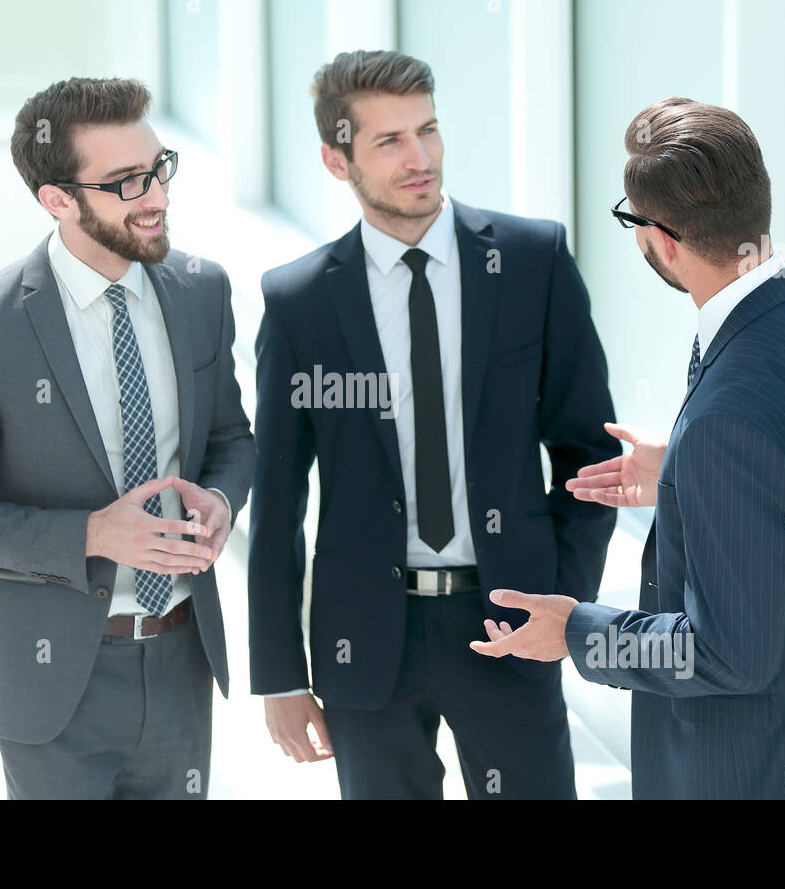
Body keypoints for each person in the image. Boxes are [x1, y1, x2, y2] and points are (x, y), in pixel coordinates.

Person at [472, 97, 785, 799]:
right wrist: (684, 472)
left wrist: (577, 631)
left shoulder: (730, 417)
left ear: (662, 240)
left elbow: (728, 652)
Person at [249, 50, 620, 799]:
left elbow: (588, 456)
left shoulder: (529, 260)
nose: (419, 158)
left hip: (511, 621)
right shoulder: (299, 302)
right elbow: (278, 501)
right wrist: (280, 675)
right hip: (365, 639)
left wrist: (563, 603)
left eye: (428, 130)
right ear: (335, 158)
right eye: (388, 141)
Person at [0, 77, 255, 799]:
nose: (156, 195)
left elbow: (232, 436)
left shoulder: (201, 289)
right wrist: (93, 533)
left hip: (181, 656)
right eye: (126, 183)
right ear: (58, 199)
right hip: (50, 678)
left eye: (160, 168)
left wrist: (221, 498)